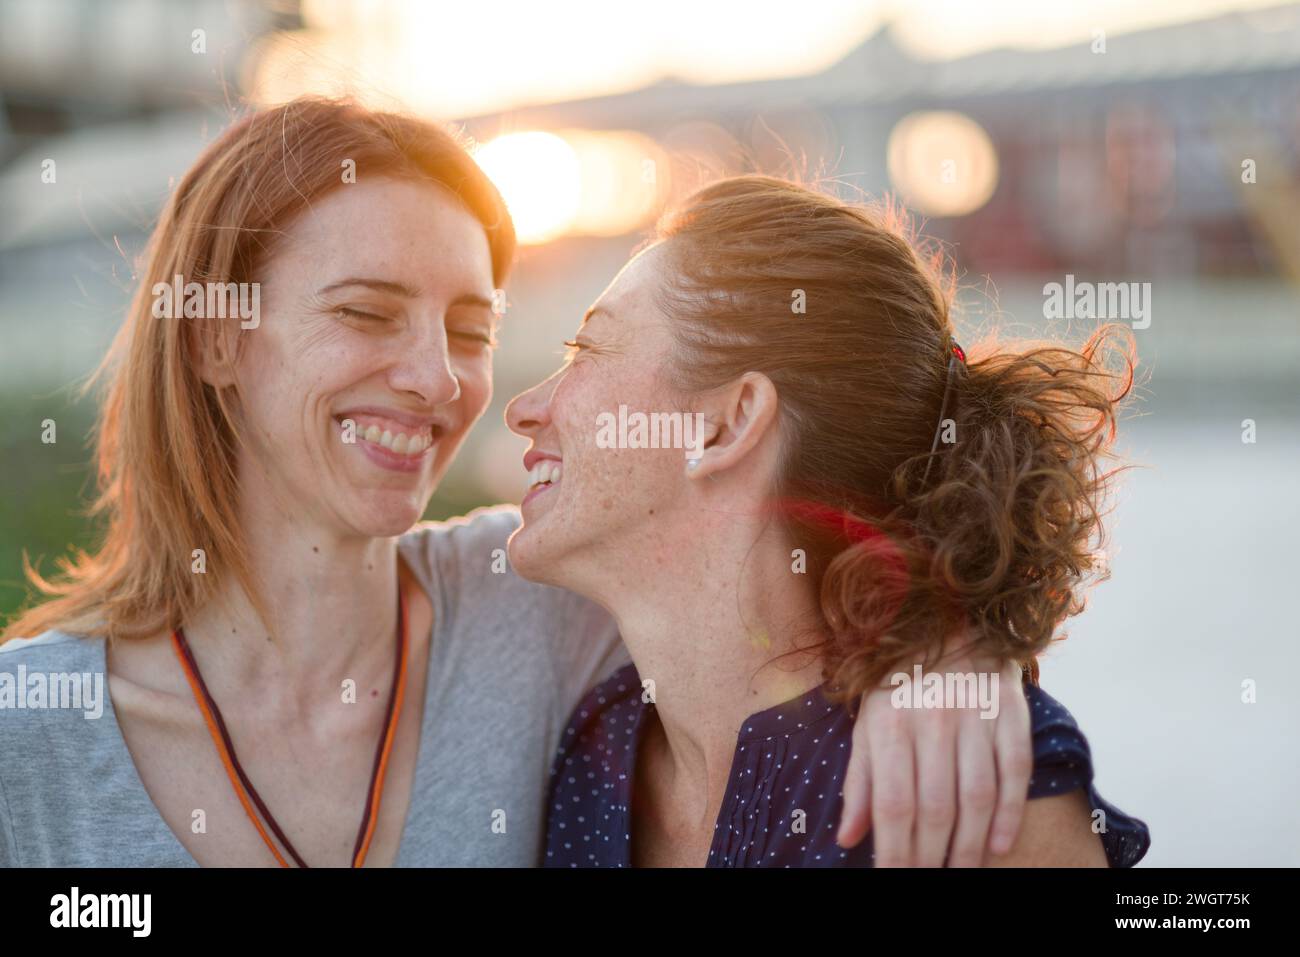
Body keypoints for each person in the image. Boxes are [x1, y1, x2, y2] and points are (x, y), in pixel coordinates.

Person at [0, 100, 1031, 867]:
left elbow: (790, 572)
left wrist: (950, 650)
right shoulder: (29, 736)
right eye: (365, 312)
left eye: (469, 330)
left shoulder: (537, 605)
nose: (436, 378)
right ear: (217, 338)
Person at [503, 175, 1151, 866]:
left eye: (586, 350)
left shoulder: (972, 789)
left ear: (727, 424)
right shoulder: (591, 757)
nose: (522, 409)